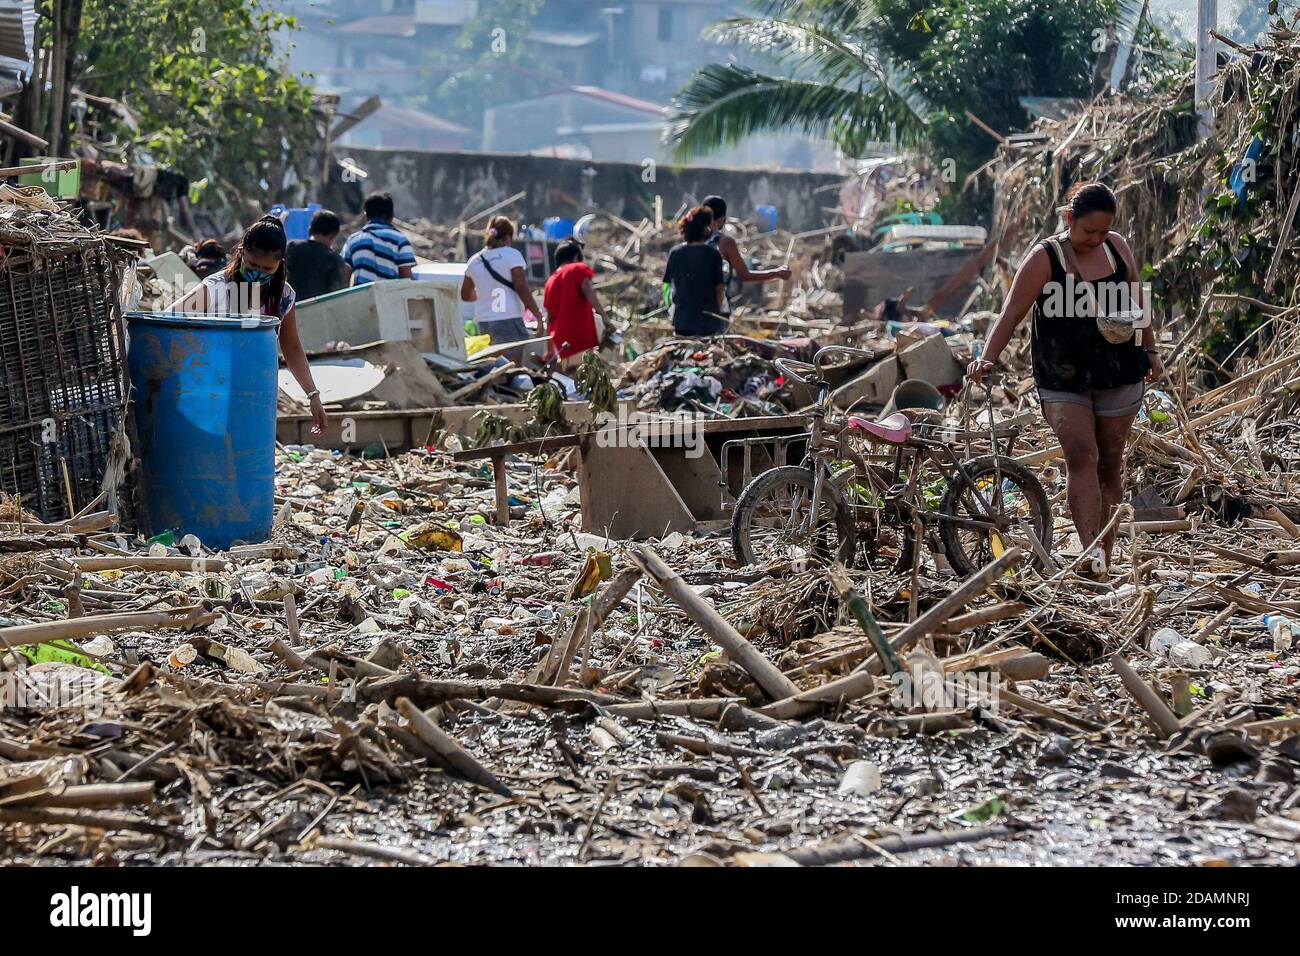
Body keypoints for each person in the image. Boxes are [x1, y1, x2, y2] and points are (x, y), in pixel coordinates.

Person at [967, 182, 1164, 575]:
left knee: (1109, 464)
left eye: (1103, 232)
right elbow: (1011, 313)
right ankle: (1090, 555)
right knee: (1081, 455)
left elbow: (1138, 299)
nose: (1096, 239)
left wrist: (1152, 349)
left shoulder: (1116, 248)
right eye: (1088, 231)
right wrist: (987, 358)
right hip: (1062, 378)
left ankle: (1103, 560)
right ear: (1069, 219)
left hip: (1119, 372)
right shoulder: (1045, 258)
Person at [172, 215, 328, 435]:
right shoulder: (216, 288)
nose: (257, 274)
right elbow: (170, 318)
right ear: (242, 251)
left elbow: (292, 348)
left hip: (255, 395)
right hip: (208, 394)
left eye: (266, 269)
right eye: (253, 265)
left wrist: (313, 395)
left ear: (279, 263)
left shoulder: (284, 297)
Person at [460, 215, 546, 359]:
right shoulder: (512, 255)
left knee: (492, 365)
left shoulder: (474, 261)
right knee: (511, 368)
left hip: (484, 321)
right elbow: (521, 287)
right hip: (508, 319)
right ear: (508, 237)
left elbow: (465, 295)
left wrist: (483, 294)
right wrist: (537, 315)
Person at [700, 195, 791, 314]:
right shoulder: (726, 243)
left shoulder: (687, 242)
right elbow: (745, 275)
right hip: (715, 312)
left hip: (686, 313)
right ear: (723, 218)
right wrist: (777, 273)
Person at [663, 205, 726, 337]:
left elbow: (667, 286)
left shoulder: (676, 253)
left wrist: (671, 308)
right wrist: (716, 314)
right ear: (706, 228)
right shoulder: (713, 255)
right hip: (707, 323)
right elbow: (719, 289)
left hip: (682, 322)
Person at [543, 239, 603, 368]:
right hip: (580, 338)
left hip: (561, 342)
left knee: (572, 378)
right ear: (576, 257)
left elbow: (549, 319)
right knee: (588, 376)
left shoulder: (550, 281)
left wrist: (549, 350)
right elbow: (589, 292)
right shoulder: (578, 268)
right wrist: (605, 318)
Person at [341, 192, 415, 285]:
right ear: (391, 216)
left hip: (361, 298)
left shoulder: (353, 240)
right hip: (391, 297)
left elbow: (343, 278)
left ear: (366, 216)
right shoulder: (400, 240)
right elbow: (408, 280)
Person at [286, 209, 351, 301]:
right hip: (320, 313)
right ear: (333, 235)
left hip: (289, 311)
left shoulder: (291, 248)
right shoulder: (334, 259)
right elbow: (338, 297)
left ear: (310, 230)